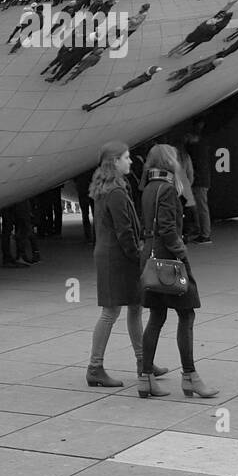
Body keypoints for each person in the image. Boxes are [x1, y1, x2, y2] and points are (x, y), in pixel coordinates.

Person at [138, 144, 216, 399]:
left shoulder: (148, 187)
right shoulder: (168, 188)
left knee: (157, 316)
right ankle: (190, 376)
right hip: (169, 260)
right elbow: (168, 228)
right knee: (187, 313)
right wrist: (182, 252)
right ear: (169, 161)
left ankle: (145, 378)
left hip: (151, 257)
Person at [87, 142, 148, 387]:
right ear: (115, 161)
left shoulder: (108, 188)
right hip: (117, 258)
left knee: (134, 305)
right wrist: (138, 255)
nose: (130, 161)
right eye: (126, 157)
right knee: (111, 312)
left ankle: (143, 360)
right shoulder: (115, 192)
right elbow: (125, 230)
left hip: (112, 256)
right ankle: (95, 367)